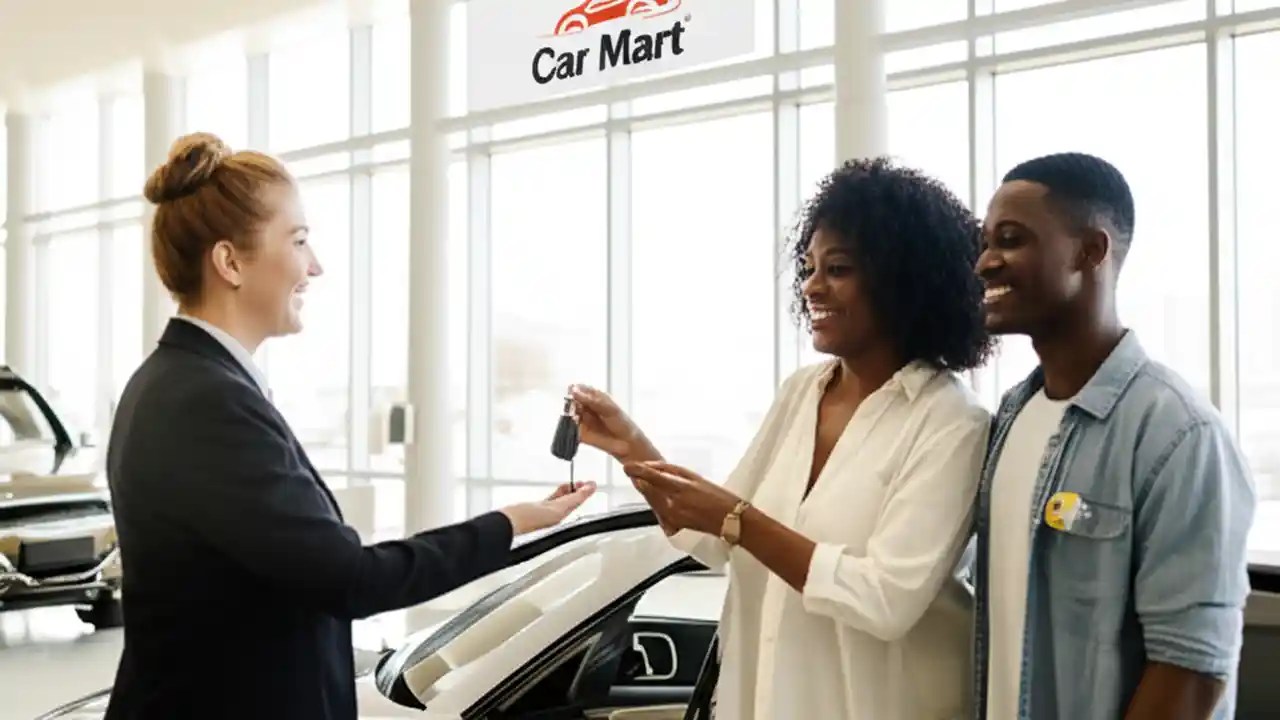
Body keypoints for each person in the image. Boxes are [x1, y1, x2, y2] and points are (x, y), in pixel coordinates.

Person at [104, 132, 595, 720]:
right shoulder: (206, 401)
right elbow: (350, 579)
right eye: (298, 240)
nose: (314, 266)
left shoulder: (177, 382)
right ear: (230, 262)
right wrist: (509, 524)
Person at [571, 156, 995, 719]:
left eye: (837, 269)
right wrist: (633, 449)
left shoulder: (951, 420)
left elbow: (885, 599)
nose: (812, 286)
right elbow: (715, 539)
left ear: (904, 279)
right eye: (808, 267)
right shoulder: (802, 391)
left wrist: (740, 521)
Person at [971, 151, 1256, 720]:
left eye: (1010, 240)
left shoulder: (1179, 433)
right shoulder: (1012, 413)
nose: (984, 263)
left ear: (1091, 251)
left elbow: (1191, 671)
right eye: (985, 243)